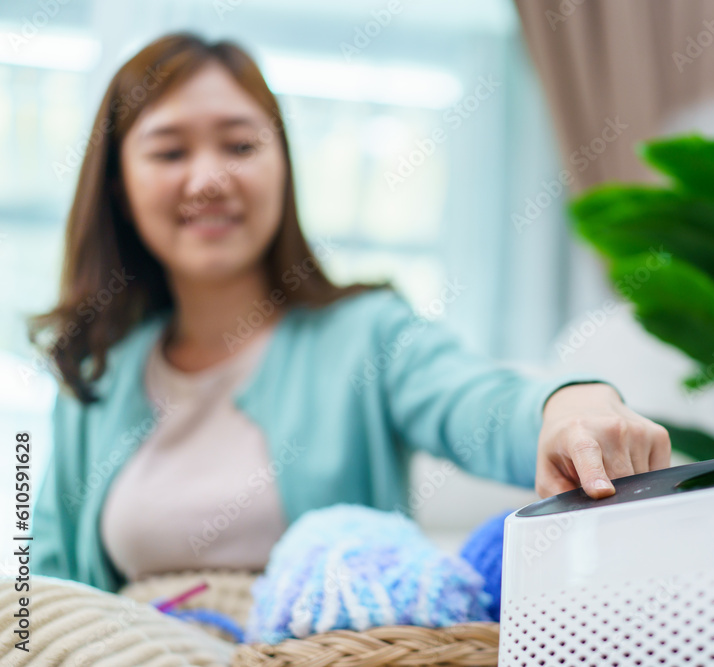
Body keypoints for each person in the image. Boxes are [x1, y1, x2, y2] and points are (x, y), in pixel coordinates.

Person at [27, 33, 671, 594]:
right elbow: (48, 591)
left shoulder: (367, 336)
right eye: (170, 152)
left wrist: (569, 408)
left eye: (240, 146)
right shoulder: (97, 376)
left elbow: (480, 402)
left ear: (282, 164)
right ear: (119, 184)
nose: (209, 179)